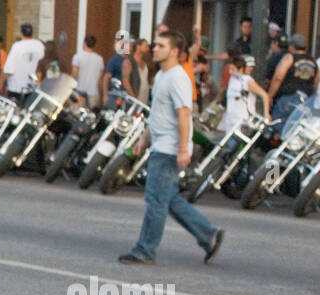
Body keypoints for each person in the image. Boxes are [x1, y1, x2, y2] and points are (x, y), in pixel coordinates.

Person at [118, 31, 223, 267]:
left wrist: (183, 148)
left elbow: (184, 114)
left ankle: (145, 250)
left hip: (169, 149)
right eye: (155, 45)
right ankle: (209, 235)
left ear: (174, 51)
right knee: (169, 200)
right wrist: (144, 139)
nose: (154, 48)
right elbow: (157, 114)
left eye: (161, 46)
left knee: (156, 201)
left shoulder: (177, 78)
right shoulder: (163, 76)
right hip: (160, 144)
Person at [268, 34, 319, 123]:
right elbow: (316, 82)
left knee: (277, 126)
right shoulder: (313, 61)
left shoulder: (289, 58)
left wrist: (270, 96)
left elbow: (278, 78)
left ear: (292, 46)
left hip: (287, 98)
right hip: (305, 101)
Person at [217, 53, 269, 135]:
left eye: (233, 69)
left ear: (241, 69)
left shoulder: (247, 80)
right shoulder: (232, 79)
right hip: (231, 119)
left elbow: (264, 95)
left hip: (243, 120)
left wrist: (266, 114)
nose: (230, 72)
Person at [0, 23, 44, 95]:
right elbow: (41, 65)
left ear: (21, 33)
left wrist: (0, 84)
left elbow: (9, 69)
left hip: (17, 88)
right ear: (32, 33)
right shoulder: (39, 45)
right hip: (33, 88)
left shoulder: (17, 46)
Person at [71, 34, 103, 107]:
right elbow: (100, 79)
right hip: (93, 92)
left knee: (76, 115)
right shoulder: (99, 59)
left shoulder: (78, 57)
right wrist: (100, 94)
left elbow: (74, 75)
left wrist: (69, 90)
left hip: (79, 92)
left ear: (84, 43)